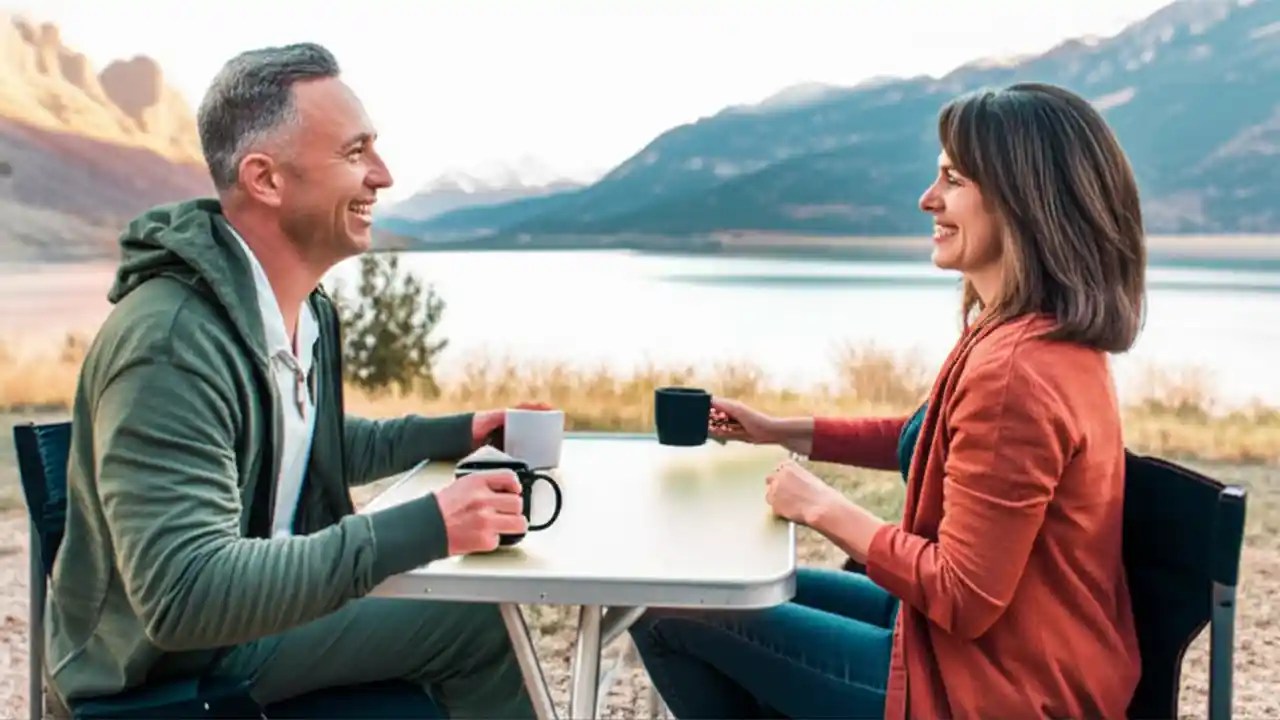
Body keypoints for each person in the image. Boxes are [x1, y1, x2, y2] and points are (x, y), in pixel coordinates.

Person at [46, 42, 539, 718]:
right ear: (266, 179)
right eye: (354, 152)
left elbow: (306, 441)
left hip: (243, 627)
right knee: (476, 622)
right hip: (168, 670)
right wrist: (425, 527)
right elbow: (183, 596)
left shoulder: (299, 311)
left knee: (469, 606)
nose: (383, 175)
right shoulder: (171, 345)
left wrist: (460, 431)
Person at [630, 82, 1147, 719]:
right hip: (983, 648)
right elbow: (928, 439)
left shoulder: (1019, 371)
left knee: (666, 609)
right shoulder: (1028, 335)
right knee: (706, 593)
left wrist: (820, 506)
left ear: (1022, 200)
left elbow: (963, 593)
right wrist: (782, 431)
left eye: (953, 180)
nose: (927, 199)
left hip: (994, 688)